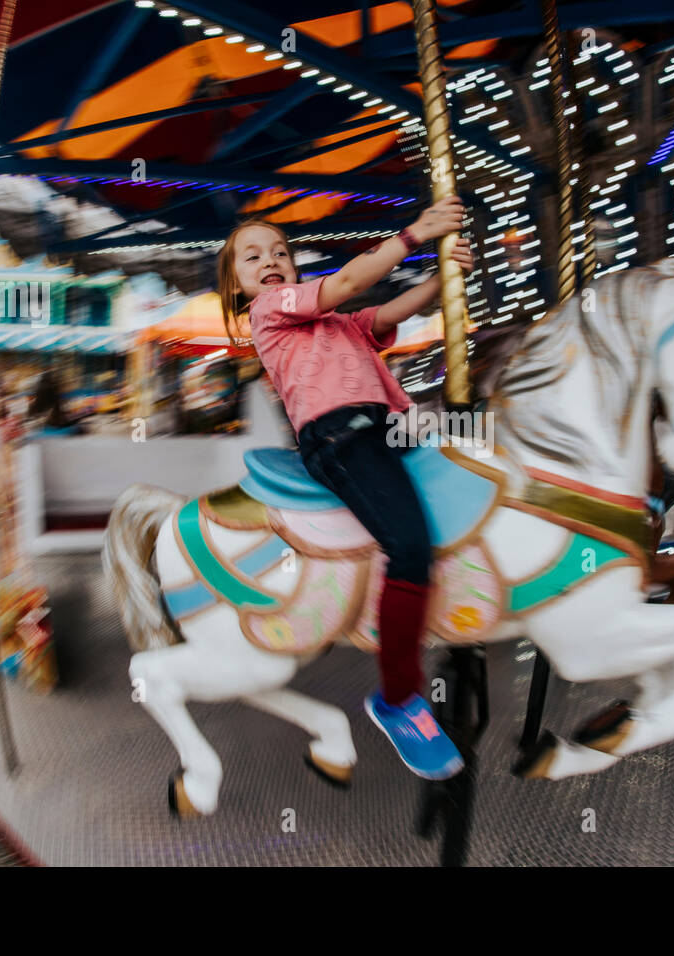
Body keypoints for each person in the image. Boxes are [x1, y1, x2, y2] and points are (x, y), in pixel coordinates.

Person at [218, 197, 474, 780]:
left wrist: (444, 275)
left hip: (387, 428)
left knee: (470, 461)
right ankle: (399, 697)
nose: (271, 260)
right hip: (340, 437)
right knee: (409, 545)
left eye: (280, 251)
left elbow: (388, 313)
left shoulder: (334, 323)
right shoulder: (271, 310)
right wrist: (414, 234)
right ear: (239, 286)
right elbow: (352, 279)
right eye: (253, 256)